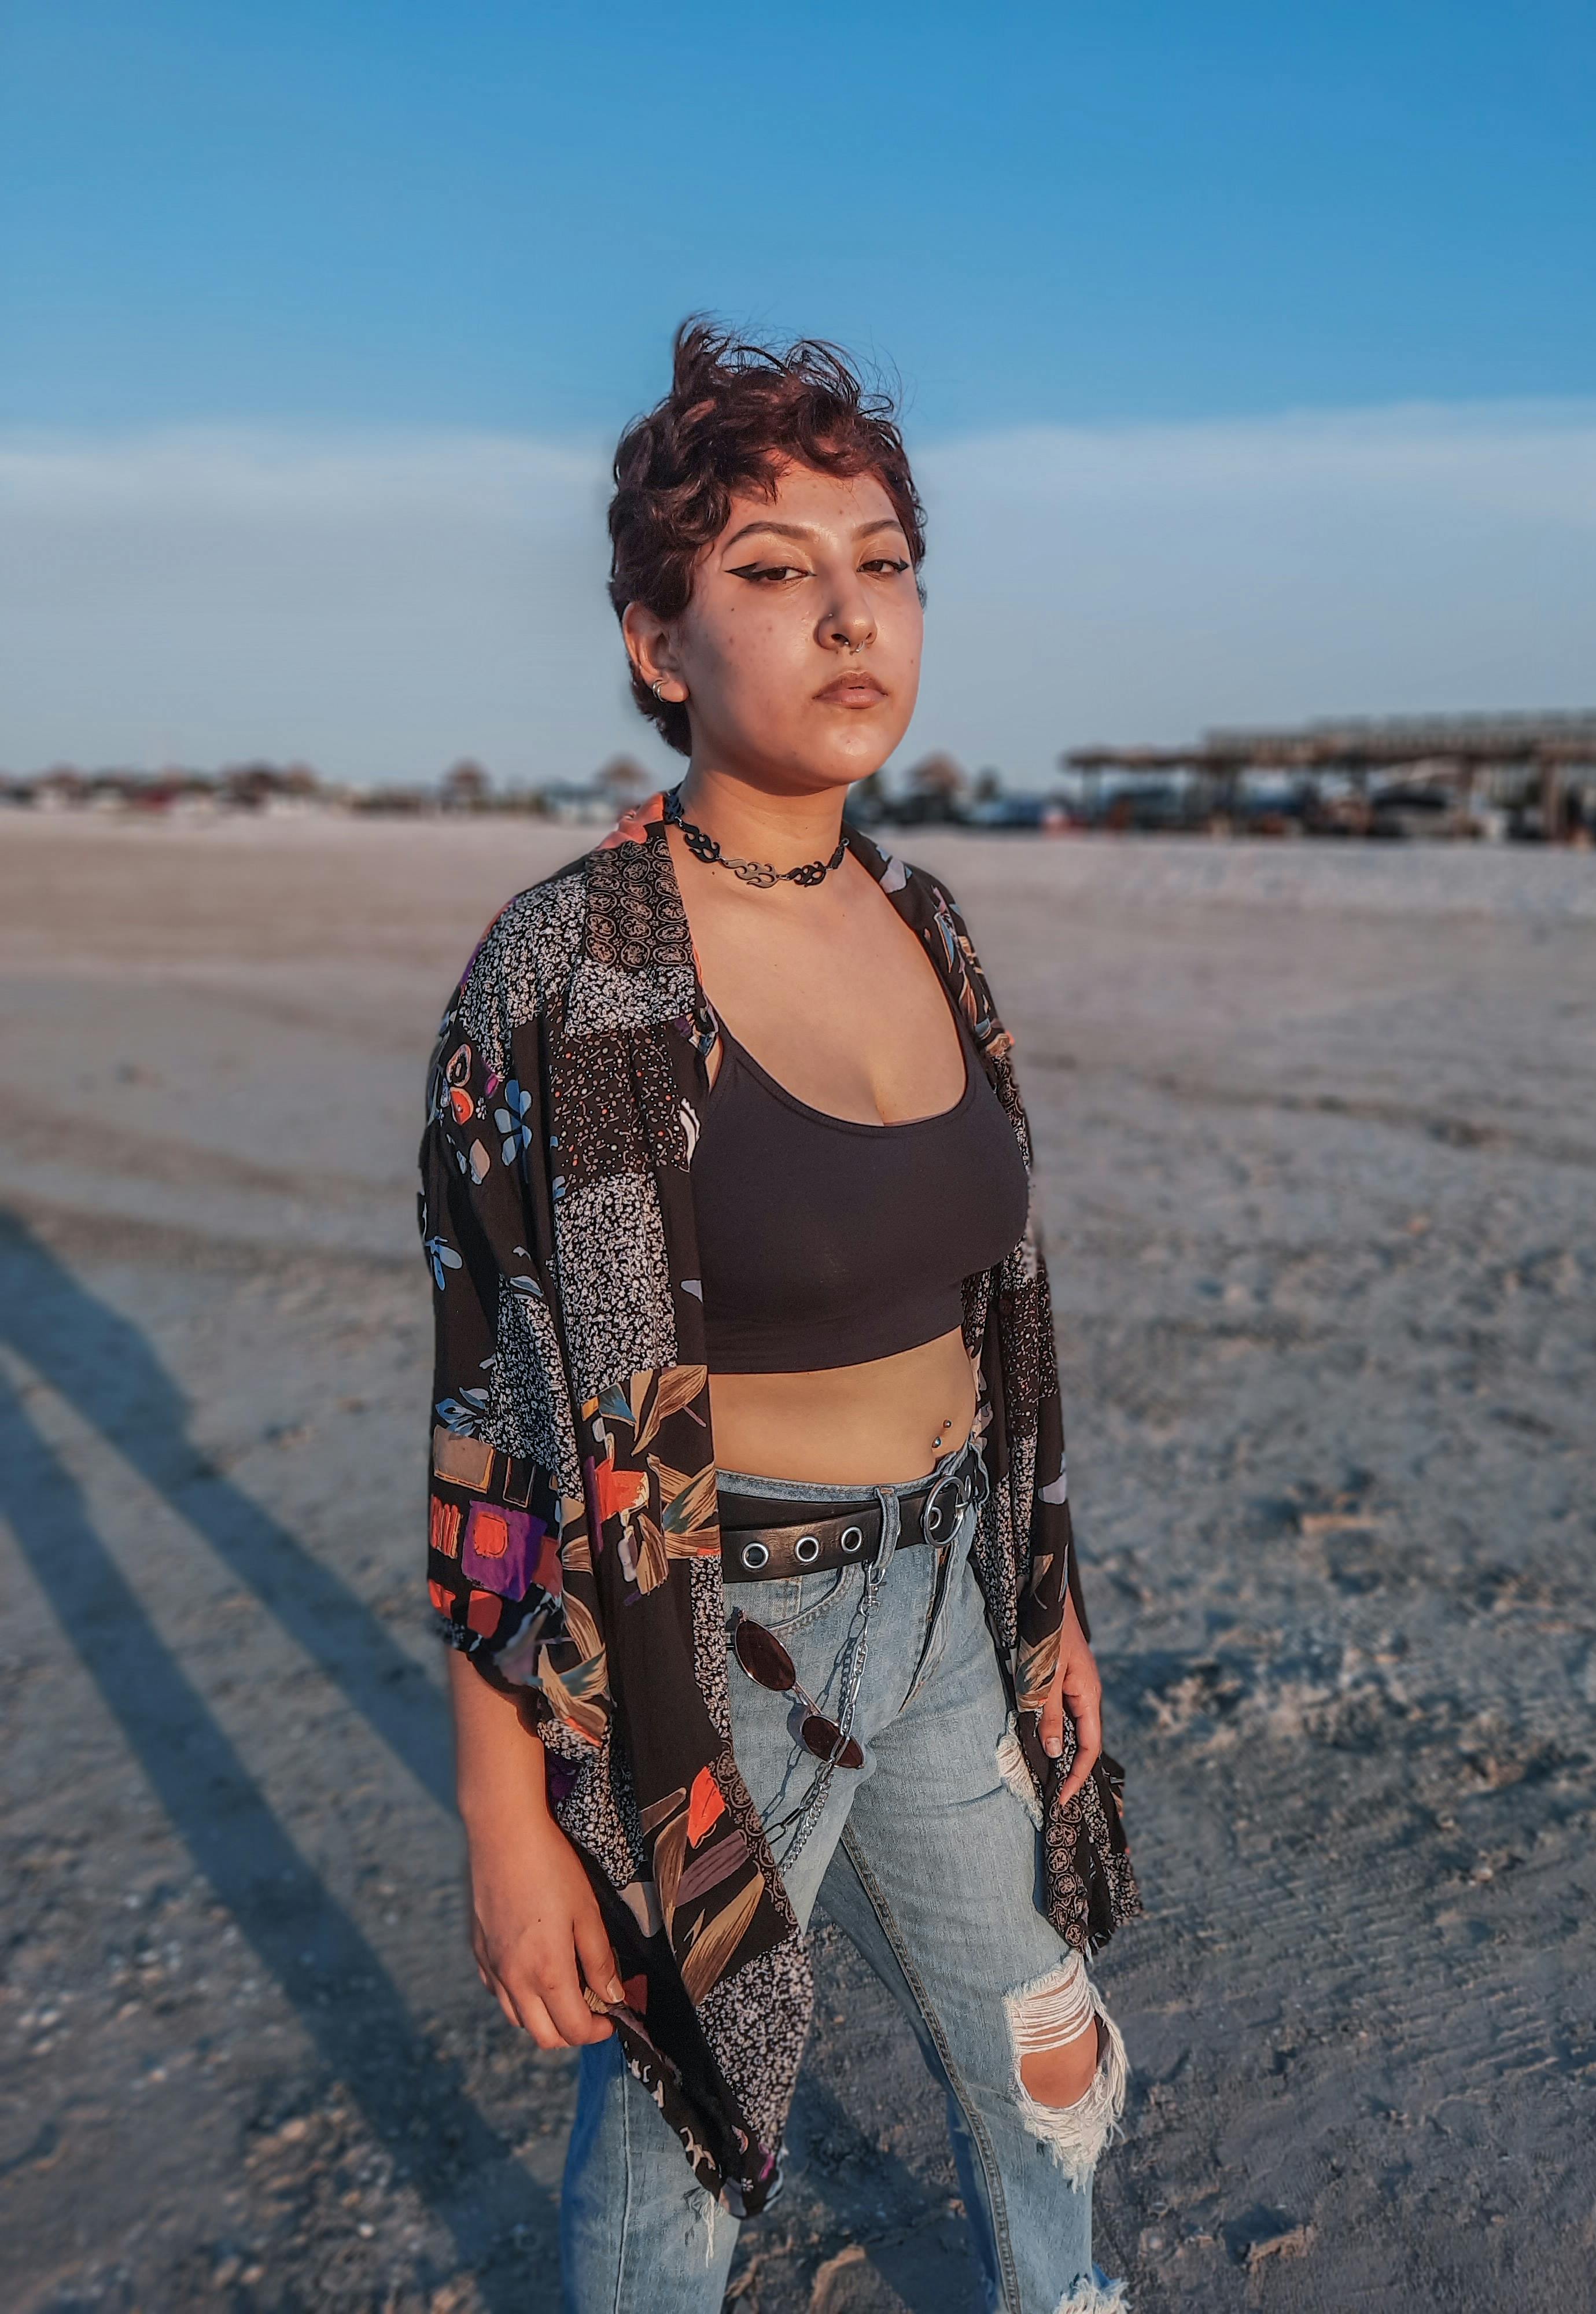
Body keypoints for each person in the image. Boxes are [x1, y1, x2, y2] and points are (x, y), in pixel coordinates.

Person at [418, 321, 1142, 2314]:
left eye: (884, 562)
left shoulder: (928, 921)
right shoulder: (571, 970)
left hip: (946, 1603)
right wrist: (511, 1822)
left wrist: (1047, 1595)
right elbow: (496, 1425)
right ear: (658, 643)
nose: (849, 616)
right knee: (689, 2135)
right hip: (714, 1645)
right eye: (769, 569)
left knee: (1050, 2062)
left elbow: (988, 1315)